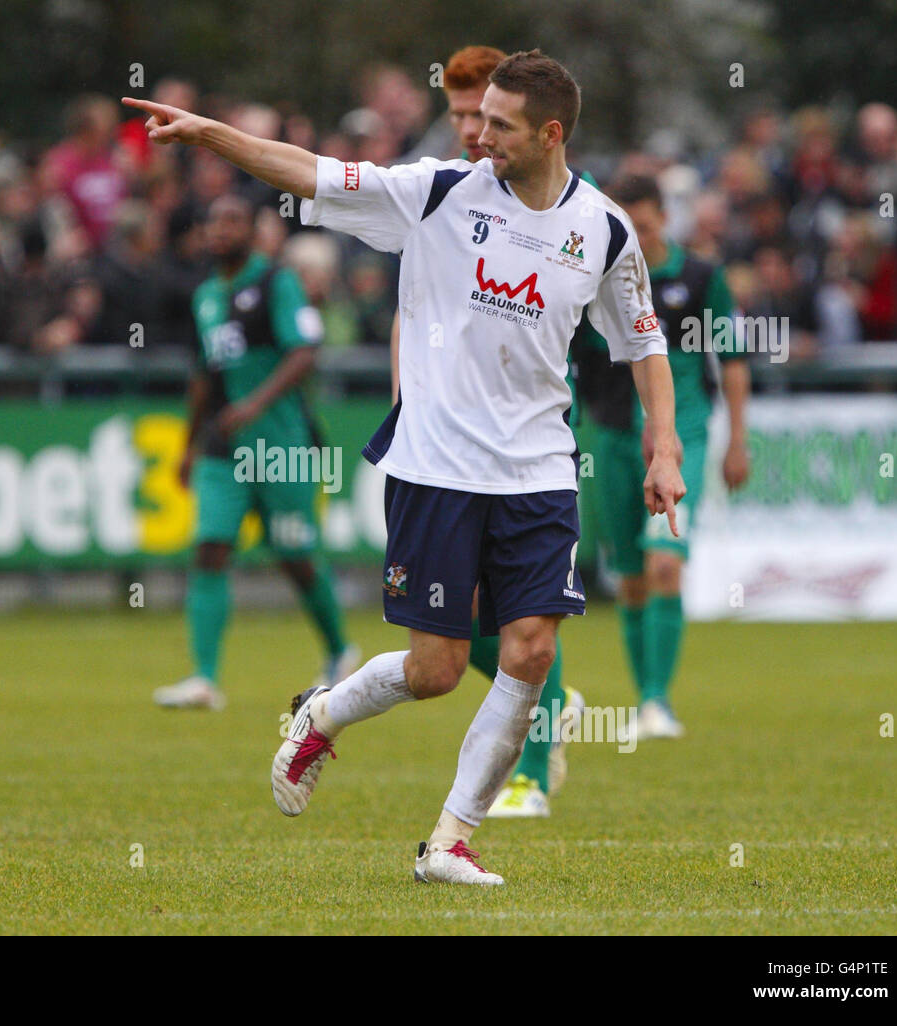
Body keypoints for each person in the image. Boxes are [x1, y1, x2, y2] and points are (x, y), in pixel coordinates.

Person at [124, 47, 685, 885]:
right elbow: (310, 171)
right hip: (438, 467)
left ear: (551, 134)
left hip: (539, 470)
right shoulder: (438, 192)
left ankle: (451, 841)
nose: (478, 133)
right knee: (438, 671)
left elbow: (644, 341)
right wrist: (210, 135)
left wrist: (664, 443)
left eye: (499, 124)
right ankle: (322, 715)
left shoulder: (602, 228)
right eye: (478, 117)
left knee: (530, 651)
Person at [391, 44, 593, 820]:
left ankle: (532, 768)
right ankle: (554, 706)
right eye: (458, 116)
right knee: (456, 618)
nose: (471, 131)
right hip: (437, 417)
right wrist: (404, 389)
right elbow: (418, 301)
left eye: (482, 117)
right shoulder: (448, 192)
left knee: (528, 608)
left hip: (519, 435)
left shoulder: (565, 211)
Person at [152, 192, 359, 711]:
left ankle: (339, 649)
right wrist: (188, 444)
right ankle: (204, 677)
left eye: (233, 220)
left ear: (252, 230)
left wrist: (252, 404)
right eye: (214, 221)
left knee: (295, 556)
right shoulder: (205, 295)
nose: (221, 229)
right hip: (223, 448)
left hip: (280, 445)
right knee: (210, 547)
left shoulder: (276, 282)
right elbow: (205, 375)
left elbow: (305, 352)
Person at [573, 174, 750, 739]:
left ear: (661, 219)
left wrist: (738, 440)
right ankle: (645, 697)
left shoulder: (700, 278)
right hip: (611, 437)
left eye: (643, 224)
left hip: (683, 436)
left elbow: (735, 356)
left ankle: (657, 700)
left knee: (665, 561)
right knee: (629, 577)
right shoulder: (587, 279)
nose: (634, 234)